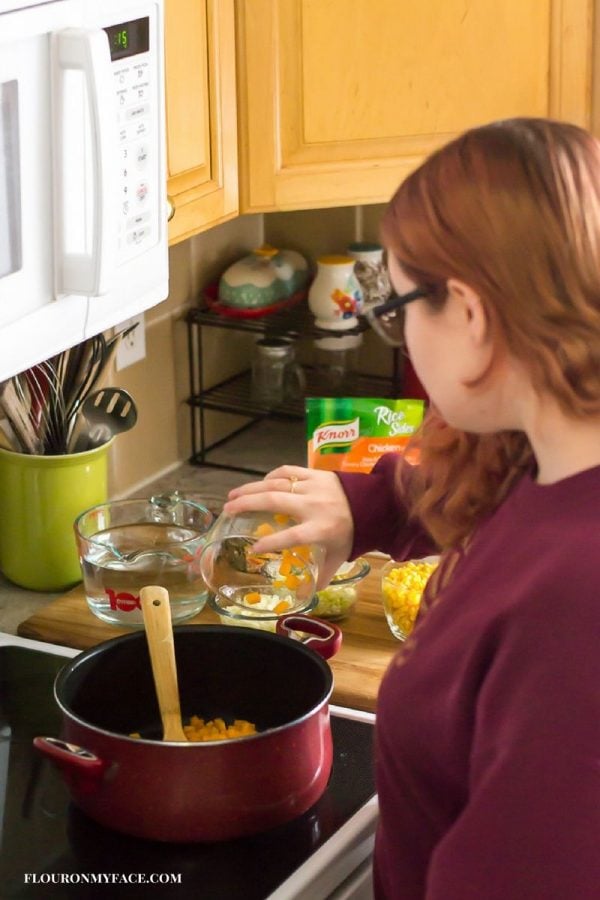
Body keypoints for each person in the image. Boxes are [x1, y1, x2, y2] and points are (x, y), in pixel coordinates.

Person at [222, 118, 600, 899]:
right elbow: (496, 477)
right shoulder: (552, 449)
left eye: (397, 308)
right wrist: (361, 506)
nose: (396, 334)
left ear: (470, 313)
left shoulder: (576, 607)